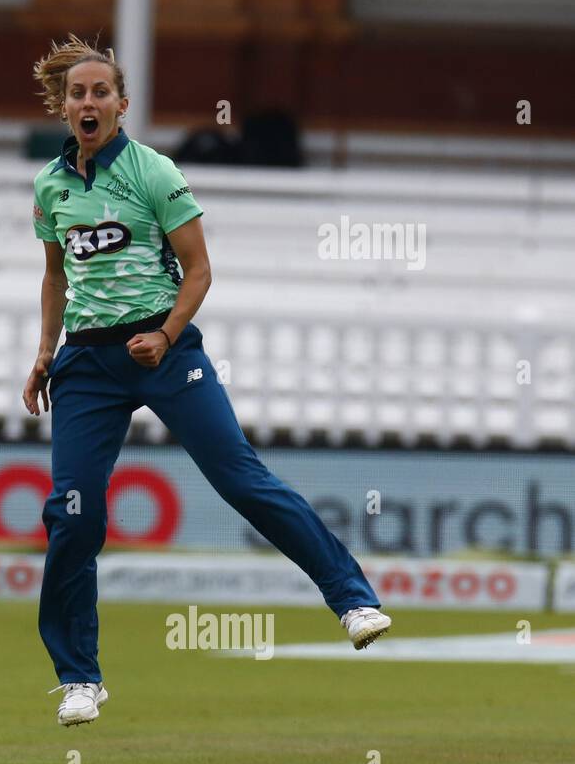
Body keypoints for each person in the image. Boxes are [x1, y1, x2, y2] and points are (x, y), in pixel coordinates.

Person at [23, 36, 392, 728]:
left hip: (164, 350)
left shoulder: (153, 171)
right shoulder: (50, 185)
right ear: (64, 105)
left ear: (121, 104)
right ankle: (79, 677)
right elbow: (54, 275)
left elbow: (198, 269)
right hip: (88, 363)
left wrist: (164, 335)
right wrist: (45, 352)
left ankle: (352, 599)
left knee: (239, 477)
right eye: (78, 93)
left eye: (101, 92)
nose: (89, 102)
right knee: (72, 516)